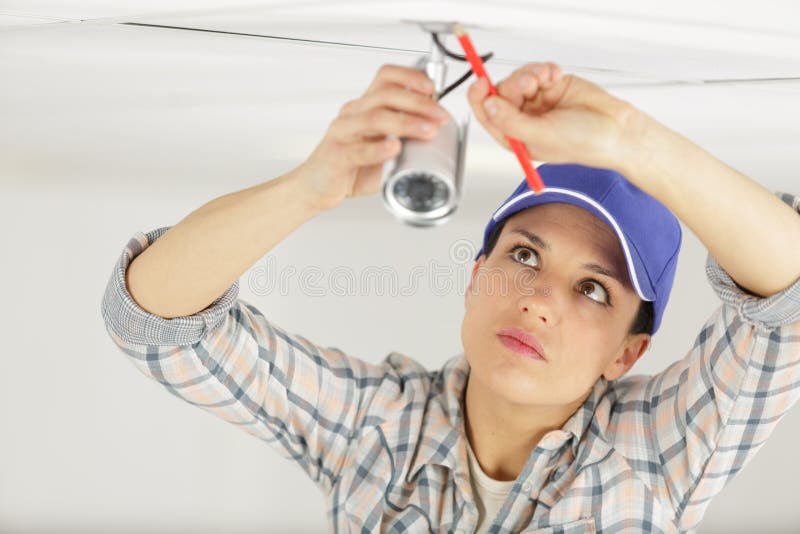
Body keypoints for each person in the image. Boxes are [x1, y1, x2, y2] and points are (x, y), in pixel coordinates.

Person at [101, 61, 800, 532]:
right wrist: (310, 186)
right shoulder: (374, 427)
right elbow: (154, 323)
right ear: (476, 278)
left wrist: (631, 142)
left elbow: (788, 302)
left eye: (592, 288)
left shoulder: (655, 449)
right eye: (524, 255)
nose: (538, 301)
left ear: (627, 352)